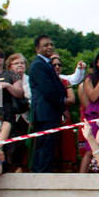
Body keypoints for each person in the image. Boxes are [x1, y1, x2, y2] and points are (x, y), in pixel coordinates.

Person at [28, 35, 68, 173]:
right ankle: (40, 174)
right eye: (45, 45)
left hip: (51, 112)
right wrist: (62, 108)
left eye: (51, 44)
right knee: (44, 145)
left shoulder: (47, 64)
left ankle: (43, 172)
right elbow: (48, 90)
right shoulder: (38, 65)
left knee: (48, 146)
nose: (49, 47)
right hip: (45, 112)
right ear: (37, 48)